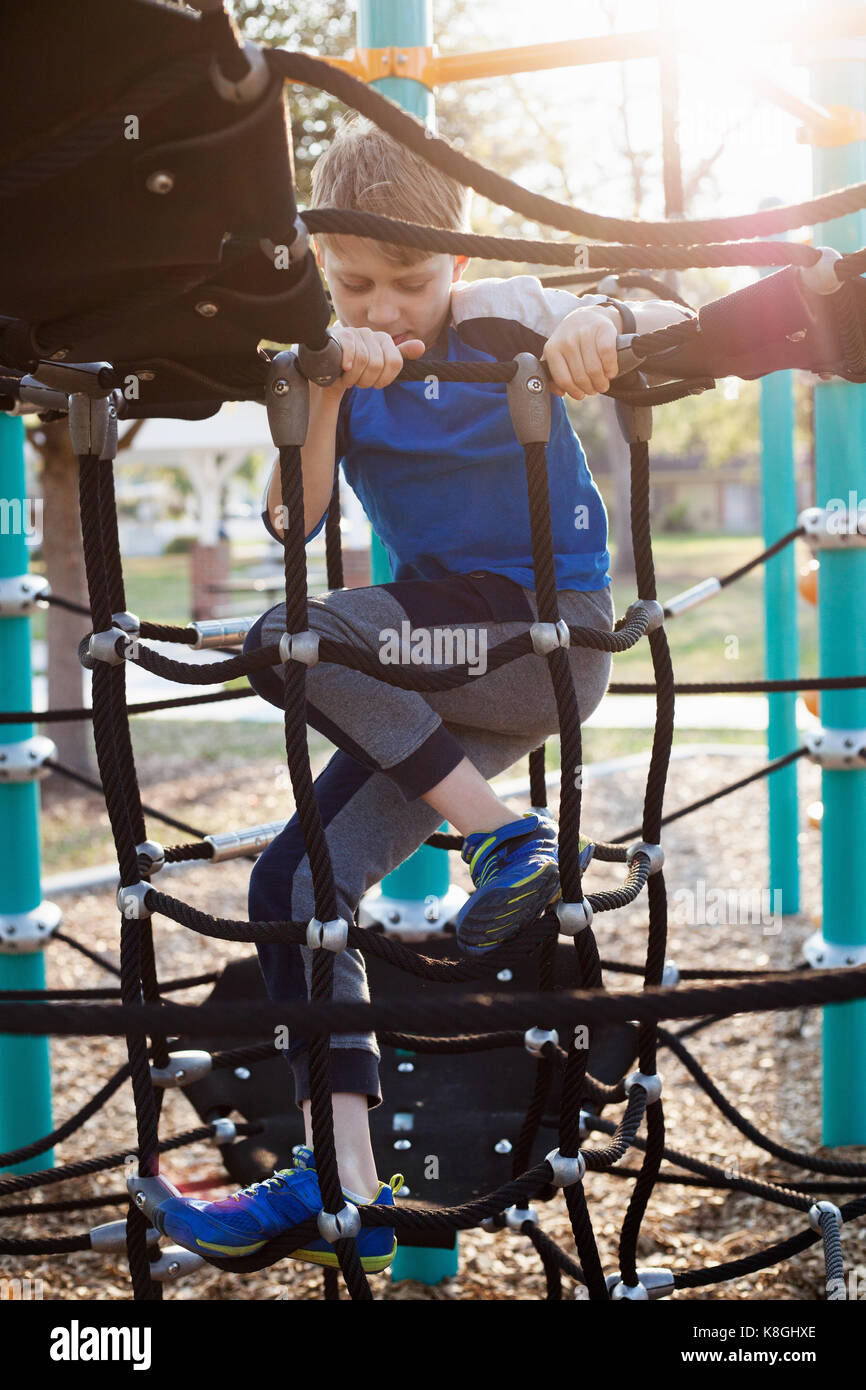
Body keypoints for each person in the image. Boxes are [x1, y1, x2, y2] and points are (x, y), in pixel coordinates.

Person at [158, 115, 693, 1269]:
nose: (389, 304)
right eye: (357, 282)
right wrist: (324, 390)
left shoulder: (505, 313)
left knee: (289, 639)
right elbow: (292, 522)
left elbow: (660, 301)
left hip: (547, 633)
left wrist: (603, 319)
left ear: (456, 258)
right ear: (320, 270)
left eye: (412, 279)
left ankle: (505, 841)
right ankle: (338, 1169)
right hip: (438, 661)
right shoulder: (323, 348)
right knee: (297, 881)